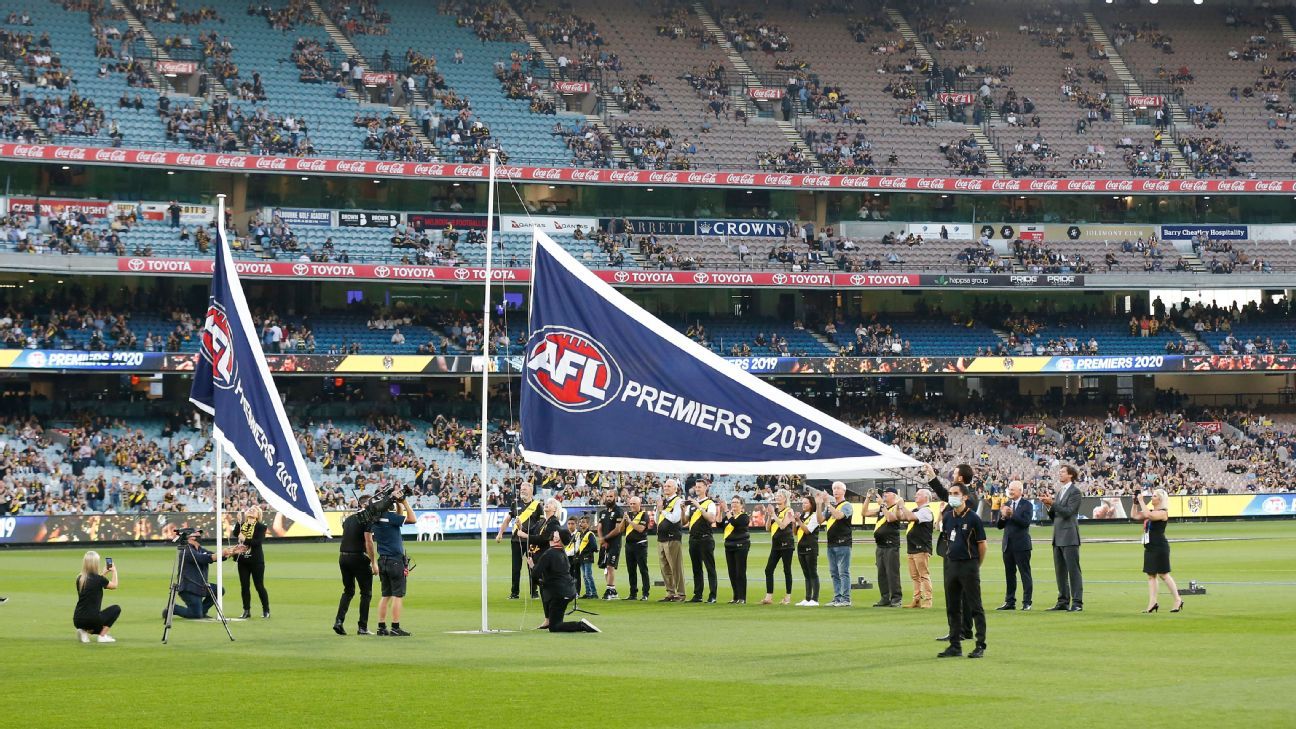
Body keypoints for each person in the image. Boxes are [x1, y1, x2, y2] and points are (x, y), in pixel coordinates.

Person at [925, 463, 977, 642]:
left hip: (958, 551)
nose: (952, 476)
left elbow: (948, 498)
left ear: (960, 478)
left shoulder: (969, 498)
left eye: (954, 473)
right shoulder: (964, 497)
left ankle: (958, 631)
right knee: (961, 593)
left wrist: (933, 478)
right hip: (952, 549)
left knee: (955, 592)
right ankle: (964, 630)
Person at [936, 482, 988, 659]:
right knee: (952, 607)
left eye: (955, 493)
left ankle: (980, 645)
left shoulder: (973, 518)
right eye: (950, 493)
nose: (952, 496)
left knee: (975, 606)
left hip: (968, 565)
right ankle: (954, 645)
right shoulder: (948, 517)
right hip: (952, 565)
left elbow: (982, 545)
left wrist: (976, 565)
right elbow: (947, 539)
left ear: (965, 497)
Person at [531, 530, 600, 633]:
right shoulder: (562, 552)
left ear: (557, 539)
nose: (554, 533)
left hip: (559, 594)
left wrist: (533, 569)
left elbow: (535, 573)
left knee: (554, 627)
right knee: (556, 622)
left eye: (556, 534)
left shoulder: (550, 553)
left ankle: (581, 625)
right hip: (567, 591)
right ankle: (574, 625)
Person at [371, 490, 415, 636]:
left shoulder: (375, 519)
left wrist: (397, 503)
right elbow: (412, 519)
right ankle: (395, 627)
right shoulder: (390, 517)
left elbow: (398, 517)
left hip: (382, 560)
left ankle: (381, 627)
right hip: (395, 561)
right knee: (397, 595)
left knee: (386, 595)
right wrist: (404, 502)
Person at [1132, 488, 1183, 613]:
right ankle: (1152, 602)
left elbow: (1149, 516)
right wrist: (1135, 503)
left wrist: (1141, 501)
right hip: (1150, 547)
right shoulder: (1150, 511)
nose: (1152, 497)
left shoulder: (1163, 513)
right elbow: (1134, 516)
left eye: (1154, 496)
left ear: (1160, 499)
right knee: (1151, 575)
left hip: (1160, 546)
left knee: (1163, 574)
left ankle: (1177, 599)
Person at [1041, 465, 1083, 612]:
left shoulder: (1075, 492)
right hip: (1058, 536)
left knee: (1073, 571)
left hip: (1069, 536)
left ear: (1071, 475)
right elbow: (1055, 516)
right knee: (1060, 572)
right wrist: (1048, 506)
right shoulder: (1060, 492)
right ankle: (1063, 601)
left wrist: (1053, 503)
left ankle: (1077, 602)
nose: (1060, 474)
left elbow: (1068, 512)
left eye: (1063, 472)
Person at [334, 495, 377, 635]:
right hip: (358, 557)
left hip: (343, 557)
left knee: (348, 591)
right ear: (366, 505)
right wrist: (374, 562)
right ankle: (362, 627)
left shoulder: (349, 519)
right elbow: (368, 542)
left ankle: (338, 621)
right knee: (366, 593)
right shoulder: (367, 519)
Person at [172, 530, 233, 619]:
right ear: (190, 537)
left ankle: (202, 611)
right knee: (195, 615)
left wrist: (232, 551)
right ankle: (173, 608)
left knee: (219, 590)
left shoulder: (200, 549)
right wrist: (222, 553)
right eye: (196, 534)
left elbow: (214, 556)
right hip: (189, 588)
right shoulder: (186, 551)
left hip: (201, 586)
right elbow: (203, 558)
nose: (199, 535)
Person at [496, 481, 541, 599]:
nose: (522, 491)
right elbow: (507, 519)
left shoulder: (537, 505)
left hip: (531, 540)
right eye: (521, 489)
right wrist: (500, 533)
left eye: (524, 489)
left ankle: (534, 592)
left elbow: (541, 523)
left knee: (532, 566)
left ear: (531, 490)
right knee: (515, 568)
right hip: (516, 540)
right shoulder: (515, 503)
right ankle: (514, 593)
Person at [995, 480, 1033, 611]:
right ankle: (1010, 601)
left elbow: (1026, 523)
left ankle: (1027, 602)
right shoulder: (1006, 504)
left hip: (1022, 545)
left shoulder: (1027, 505)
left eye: (1013, 489)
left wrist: (1012, 515)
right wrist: (1003, 517)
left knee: (1025, 574)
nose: (1010, 492)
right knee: (1009, 575)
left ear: (1020, 491)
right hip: (1008, 545)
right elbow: (999, 526)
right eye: (1009, 489)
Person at [866, 487, 904, 607]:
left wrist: (882, 505)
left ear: (894, 495)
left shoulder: (896, 507)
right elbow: (864, 513)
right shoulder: (882, 508)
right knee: (881, 574)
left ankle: (896, 599)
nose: (885, 494)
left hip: (891, 545)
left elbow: (891, 518)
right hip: (880, 545)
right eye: (884, 493)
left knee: (892, 573)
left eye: (887, 493)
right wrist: (867, 498)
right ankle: (885, 597)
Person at [897, 488, 935, 609]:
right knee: (914, 576)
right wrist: (898, 507)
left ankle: (928, 599)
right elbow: (900, 517)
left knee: (923, 575)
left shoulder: (926, 511)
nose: (915, 496)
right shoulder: (916, 510)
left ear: (926, 497)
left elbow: (910, 517)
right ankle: (917, 599)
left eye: (919, 494)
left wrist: (902, 506)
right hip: (912, 547)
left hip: (921, 547)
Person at [231, 506, 270, 619]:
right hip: (242, 560)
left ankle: (266, 610)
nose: (251, 510)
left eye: (255, 510)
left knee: (259, 586)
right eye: (250, 509)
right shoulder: (242, 524)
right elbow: (235, 533)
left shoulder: (261, 527)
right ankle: (246, 610)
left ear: (258, 515)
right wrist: (238, 522)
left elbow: (258, 542)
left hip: (256, 561)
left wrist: (245, 539)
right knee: (244, 586)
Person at [74, 551, 119, 643]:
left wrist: (103, 574)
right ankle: (102, 635)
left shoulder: (80, 579)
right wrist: (114, 571)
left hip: (77, 619)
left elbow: (93, 583)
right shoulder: (99, 580)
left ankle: (83, 631)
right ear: (95, 564)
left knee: (90, 620)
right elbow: (114, 585)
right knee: (116, 609)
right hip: (93, 620)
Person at [686, 476, 719, 603]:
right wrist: (683, 510)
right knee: (696, 568)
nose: (697, 489)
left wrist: (699, 506)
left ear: (706, 488)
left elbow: (711, 519)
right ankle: (698, 594)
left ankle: (712, 595)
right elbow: (684, 521)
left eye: (700, 487)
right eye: (696, 487)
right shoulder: (692, 504)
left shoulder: (709, 503)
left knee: (710, 567)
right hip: (693, 539)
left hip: (705, 538)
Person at [761, 489, 796, 605]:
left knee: (787, 569)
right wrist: (769, 515)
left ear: (785, 498)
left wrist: (773, 515)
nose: (777, 497)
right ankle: (769, 597)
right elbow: (767, 528)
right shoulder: (775, 511)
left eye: (780, 496)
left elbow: (783, 525)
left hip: (786, 544)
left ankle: (788, 597)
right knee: (768, 569)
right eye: (777, 495)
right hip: (776, 544)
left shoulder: (789, 510)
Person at [823, 482, 854, 607]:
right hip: (831, 543)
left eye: (838, 488)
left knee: (843, 572)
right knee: (834, 572)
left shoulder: (846, 505)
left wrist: (827, 504)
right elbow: (820, 520)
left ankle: (846, 599)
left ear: (844, 491)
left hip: (843, 542)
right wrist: (819, 504)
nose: (835, 490)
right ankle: (837, 598)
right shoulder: (831, 506)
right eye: (834, 488)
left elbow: (838, 516)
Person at [655, 479, 686, 602]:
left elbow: (675, 519)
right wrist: (659, 510)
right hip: (661, 538)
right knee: (665, 568)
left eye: (669, 486)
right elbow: (657, 520)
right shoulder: (663, 501)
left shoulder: (678, 501)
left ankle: (681, 593)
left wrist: (662, 510)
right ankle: (670, 592)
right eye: (665, 486)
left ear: (675, 489)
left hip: (672, 537)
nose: (666, 488)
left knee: (675, 567)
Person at [793, 494, 821, 606]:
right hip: (801, 547)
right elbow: (795, 532)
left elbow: (808, 530)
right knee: (806, 574)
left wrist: (799, 521)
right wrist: (794, 522)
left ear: (811, 504)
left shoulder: (814, 516)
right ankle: (807, 598)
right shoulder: (802, 515)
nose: (803, 505)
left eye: (806, 503)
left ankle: (815, 599)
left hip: (810, 546)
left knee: (812, 572)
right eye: (802, 503)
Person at [721, 496, 750, 603]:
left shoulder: (744, 517)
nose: (734, 504)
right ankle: (735, 597)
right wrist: (720, 511)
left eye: (737, 502)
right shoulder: (729, 516)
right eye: (732, 502)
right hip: (729, 546)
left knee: (740, 572)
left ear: (742, 505)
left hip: (740, 545)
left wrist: (726, 510)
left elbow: (734, 523)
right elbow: (719, 524)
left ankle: (742, 597)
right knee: (732, 572)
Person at [621, 496, 650, 600]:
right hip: (629, 545)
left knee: (643, 569)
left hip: (640, 544)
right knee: (631, 570)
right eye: (631, 504)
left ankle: (645, 593)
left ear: (639, 504)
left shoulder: (644, 515)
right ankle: (633, 593)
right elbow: (621, 530)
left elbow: (640, 529)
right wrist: (623, 520)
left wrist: (629, 521)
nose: (632, 506)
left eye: (634, 504)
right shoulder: (628, 515)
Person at [595, 489, 623, 600]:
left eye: (611, 496)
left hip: (614, 543)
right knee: (605, 566)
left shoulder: (619, 511)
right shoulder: (602, 512)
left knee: (610, 566)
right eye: (607, 496)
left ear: (615, 497)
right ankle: (612, 590)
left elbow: (618, 529)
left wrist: (605, 538)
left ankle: (610, 589)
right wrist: (602, 540)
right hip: (604, 543)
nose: (609, 498)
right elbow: (599, 527)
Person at [575, 516, 598, 599]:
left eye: (583, 522)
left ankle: (594, 593)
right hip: (581, 557)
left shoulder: (590, 534)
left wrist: (587, 551)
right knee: (585, 576)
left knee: (588, 575)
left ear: (588, 524)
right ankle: (588, 593)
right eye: (580, 522)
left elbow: (594, 547)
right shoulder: (580, 534)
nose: (581, 523)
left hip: (587, 557)